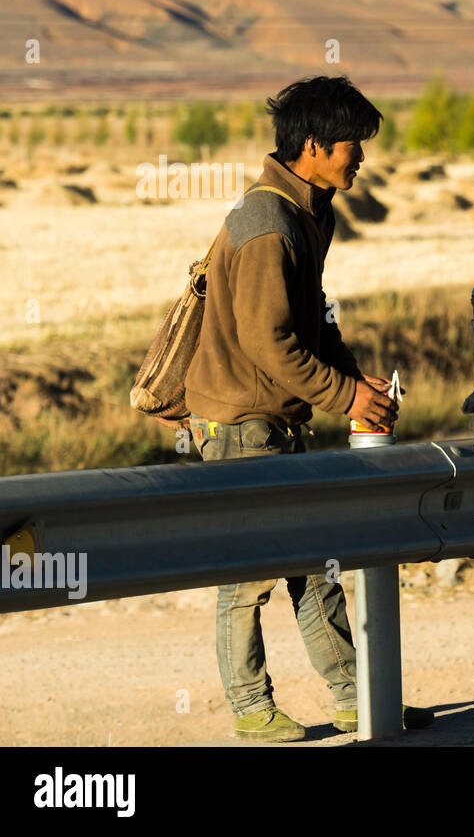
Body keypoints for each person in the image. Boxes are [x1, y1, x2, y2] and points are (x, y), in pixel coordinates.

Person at [184, 75, 431, 742]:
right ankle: (250, 706)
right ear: (316, 146)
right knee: (250, 572)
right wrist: (346, 394)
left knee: (314, 562)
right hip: (238, 418)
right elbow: (271, 341)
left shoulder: (307, 212)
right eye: (354, 145)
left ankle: (357, 696)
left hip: (272, 412)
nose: (362, 158)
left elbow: (312, 323)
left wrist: (355, 381)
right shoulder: (269, 225)